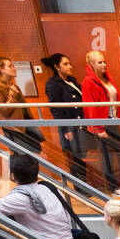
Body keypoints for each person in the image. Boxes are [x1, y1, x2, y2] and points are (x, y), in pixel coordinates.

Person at [82, 50, 120, 198]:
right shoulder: (88, 81)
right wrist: (98, 127)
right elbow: (89, 106)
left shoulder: (108, 78)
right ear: (91, 64)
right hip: (102, 124)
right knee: (108, 157)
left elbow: (118, 103)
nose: (104, 65)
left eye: (104, 61)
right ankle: (113, 187)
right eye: (100, 62)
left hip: (115, 122)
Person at [41, 53, 88, 184]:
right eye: (65, 64)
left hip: (81, 124)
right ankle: (80, 187)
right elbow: (55, 109)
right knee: (76, 157)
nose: (70, 66)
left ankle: (82, 185)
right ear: (56, 66)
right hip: (70, 126)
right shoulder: (53, 84)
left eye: (69, 63)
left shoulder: (71, 81)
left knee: (81, 156)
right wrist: (66, 129)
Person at [0, 56, 44, 152]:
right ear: (1, 69)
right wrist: (13, 94)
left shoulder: (13, 85)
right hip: (14, 129)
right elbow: (4, 111)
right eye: (10, 66)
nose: (14, 68)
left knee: (35, 156)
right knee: (23, 159)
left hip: (27, 125)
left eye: (13, 65)